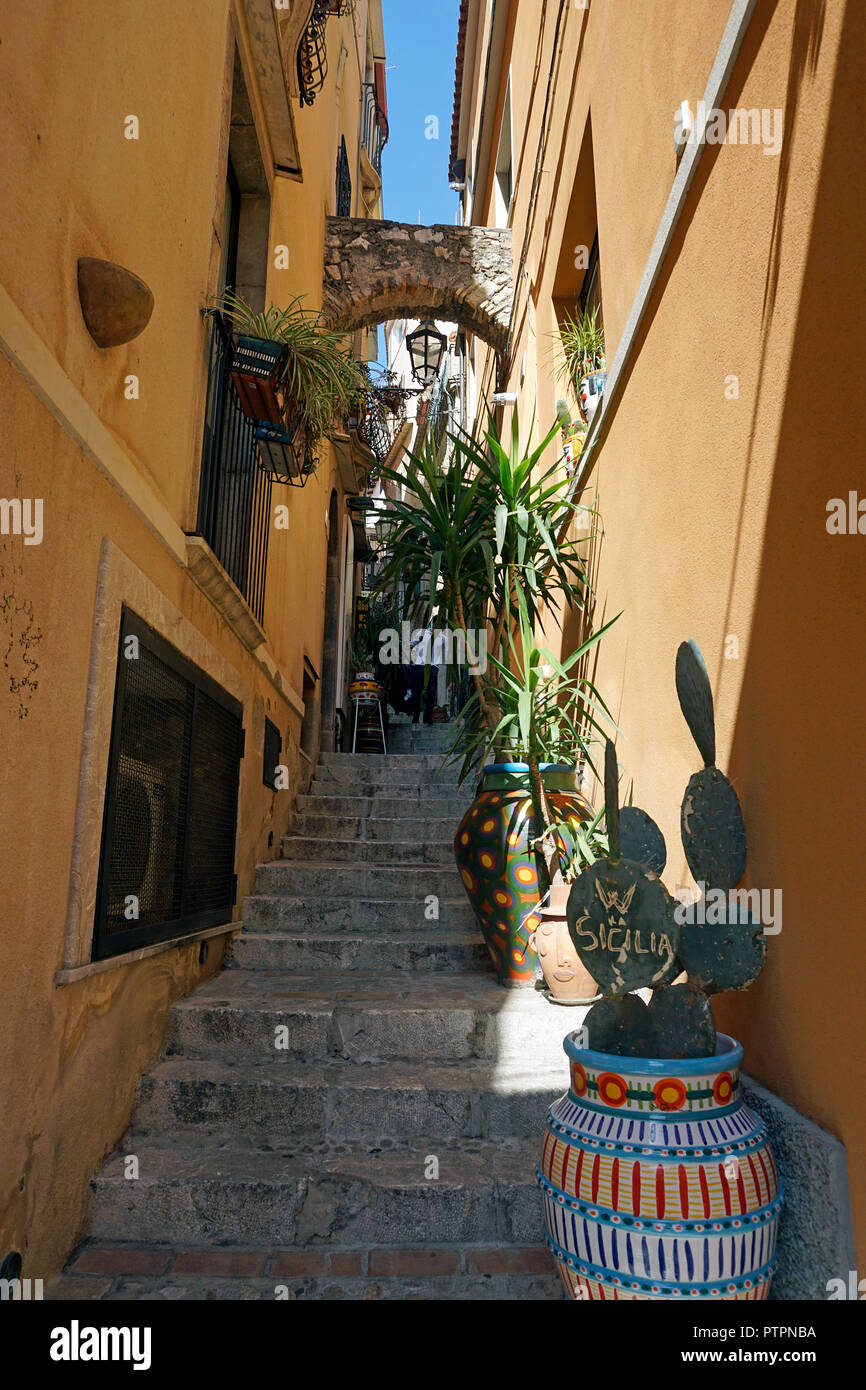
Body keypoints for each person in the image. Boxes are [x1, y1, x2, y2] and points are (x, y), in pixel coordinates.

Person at [402, 625, 446, 724]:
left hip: (433, 667)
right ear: (434, 624)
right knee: (417, 691)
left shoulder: (443, 638)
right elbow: (410, 644)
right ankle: (416, 715)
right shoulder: (422, 633)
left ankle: (428, 717)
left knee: (431, 692)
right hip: (420, 665)